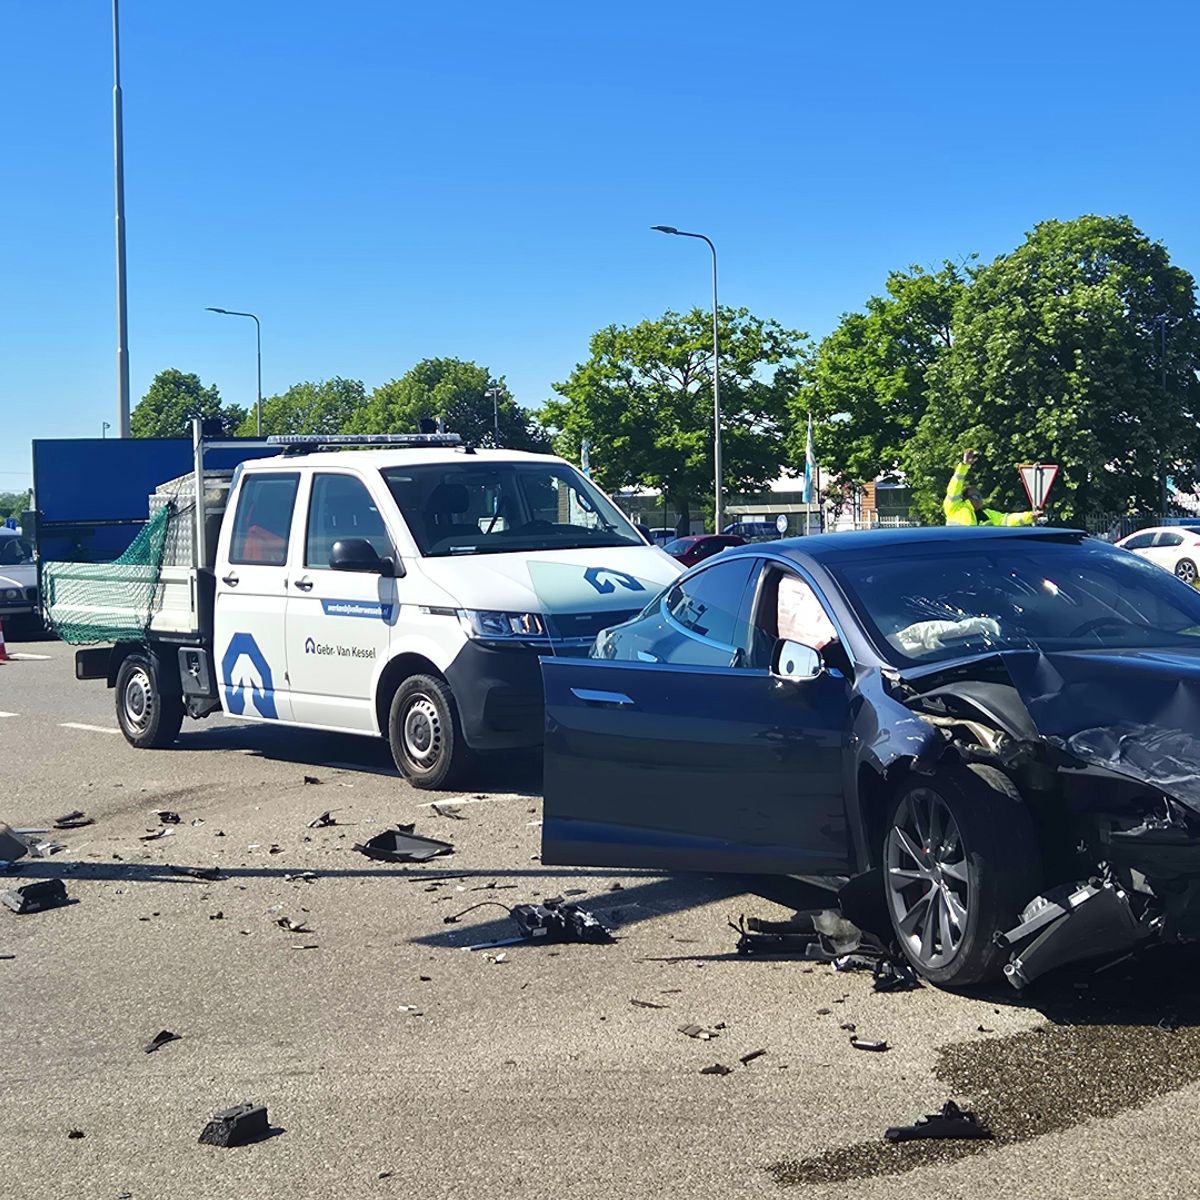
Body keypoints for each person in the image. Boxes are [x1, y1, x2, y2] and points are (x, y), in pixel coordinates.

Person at [944, 449, 1041, 527]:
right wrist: (964, 465)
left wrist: (1029, 516)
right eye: (976, 496)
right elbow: (956, 483)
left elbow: (1007, 519)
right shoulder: (954, 507)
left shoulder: (987, 514)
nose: (980, 499)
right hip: (956, 549)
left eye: (980, 496)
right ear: (966, 498)